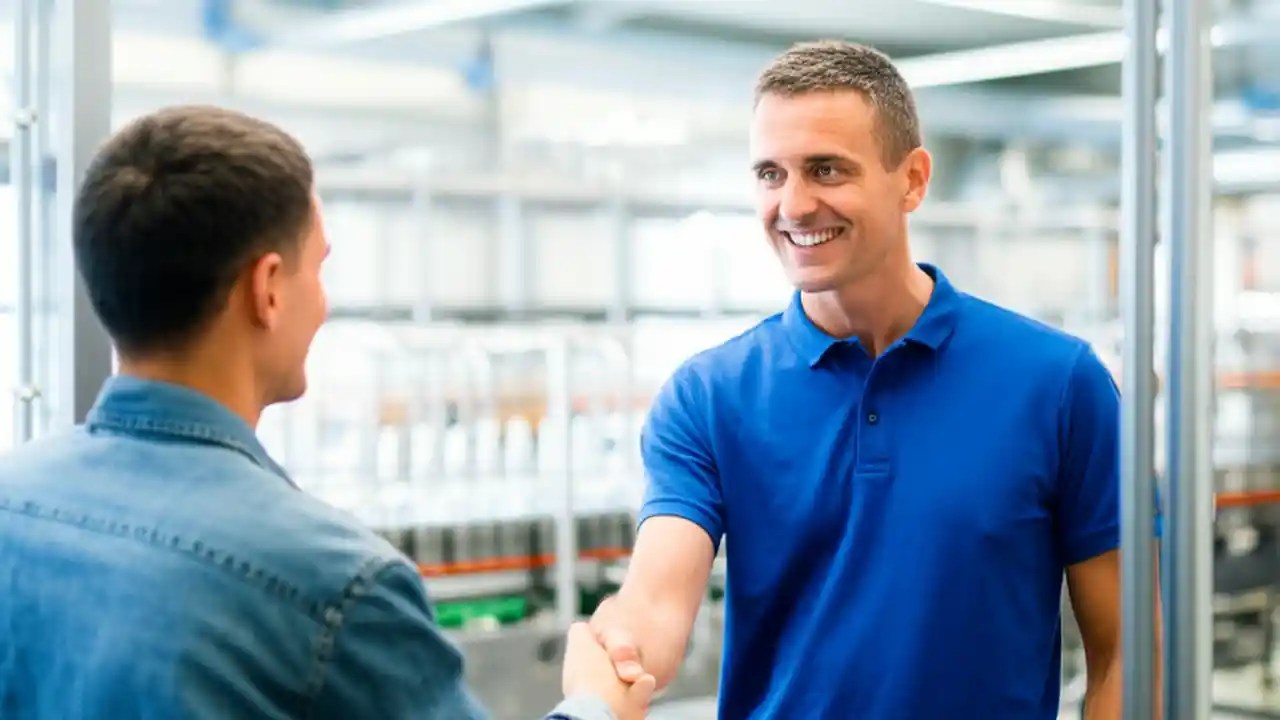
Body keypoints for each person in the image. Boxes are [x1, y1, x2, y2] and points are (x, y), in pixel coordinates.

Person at [0, 105, 654, 720]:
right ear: (268, 290)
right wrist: (594, 704)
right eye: (319, 269)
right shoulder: (332, 584)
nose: (326, 303)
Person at [590, 40, 1130, 718]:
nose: (794, 205)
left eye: (825, 170)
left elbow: (1127, 650)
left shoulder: (1059, 385)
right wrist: (612, 655)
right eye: (769, 174)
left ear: (912, 179)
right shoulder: (708, 397)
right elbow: (656, 606)